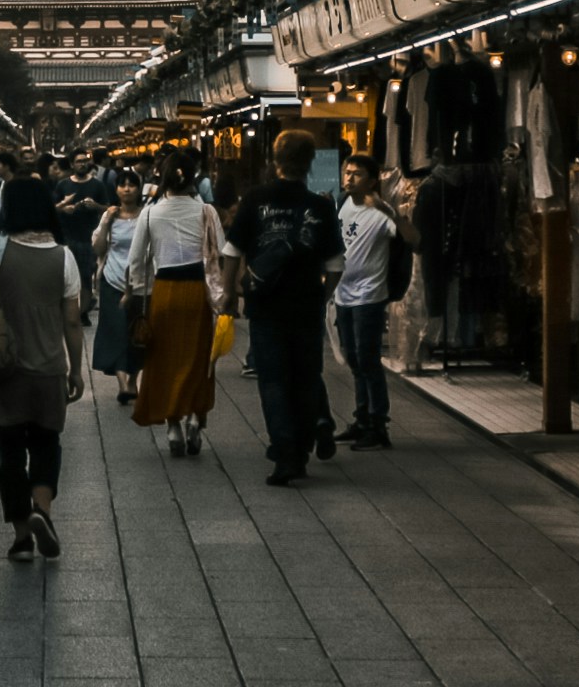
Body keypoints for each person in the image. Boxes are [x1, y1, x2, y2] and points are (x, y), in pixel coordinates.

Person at [0, 173, 89, 560]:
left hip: (3, 368)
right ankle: (43, 511)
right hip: (49, 368)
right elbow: (72, 320)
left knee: (8, 451)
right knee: (46, 443)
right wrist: (74, 370)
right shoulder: (63, 256)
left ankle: (21, 538)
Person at [227, 129, 341, 487]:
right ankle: (303, 448)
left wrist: (231, 292)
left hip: (265, 306)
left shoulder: (256, 199)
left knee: (274, 381)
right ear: (310, 164)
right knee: (306, 378)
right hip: (306, 305)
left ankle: (284, 451)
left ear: (274, 160)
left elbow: (232, 251)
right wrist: (323, 297)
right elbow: (336, 265)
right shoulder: (321, 206)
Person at [123, 149, 229, 458]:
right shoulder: (206, 211)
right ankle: (196, 416)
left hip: (165, 292)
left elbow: (136, 259)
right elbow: (221, 251)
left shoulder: (151, 212)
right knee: (198, 358)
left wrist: (138, 293)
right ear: (192, 177)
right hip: (197, 293)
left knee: (164, 360)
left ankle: (173, 426)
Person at [336, 166, 403, 450]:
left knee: (368, 359)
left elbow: (413, 239)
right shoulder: (341, 204)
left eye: (357, 174)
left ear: (373, 180)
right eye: (347, 172)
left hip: (370, 296)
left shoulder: (381, 210)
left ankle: (378, 425)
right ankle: (362, 419)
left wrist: (391, 213)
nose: (349, 178)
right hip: (342, 295)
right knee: (353, 358)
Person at [90, 174, 144, 403]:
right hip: (113, 279)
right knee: (117, 331)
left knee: (138, 332)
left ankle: (133, 380)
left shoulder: (147, 216)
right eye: (123, 185)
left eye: (132, 185)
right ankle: (123, 383)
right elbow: (99, 248)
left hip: (141, 282)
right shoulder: (109, 216)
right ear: (116, 190)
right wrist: (106, 223)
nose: (127, 189)